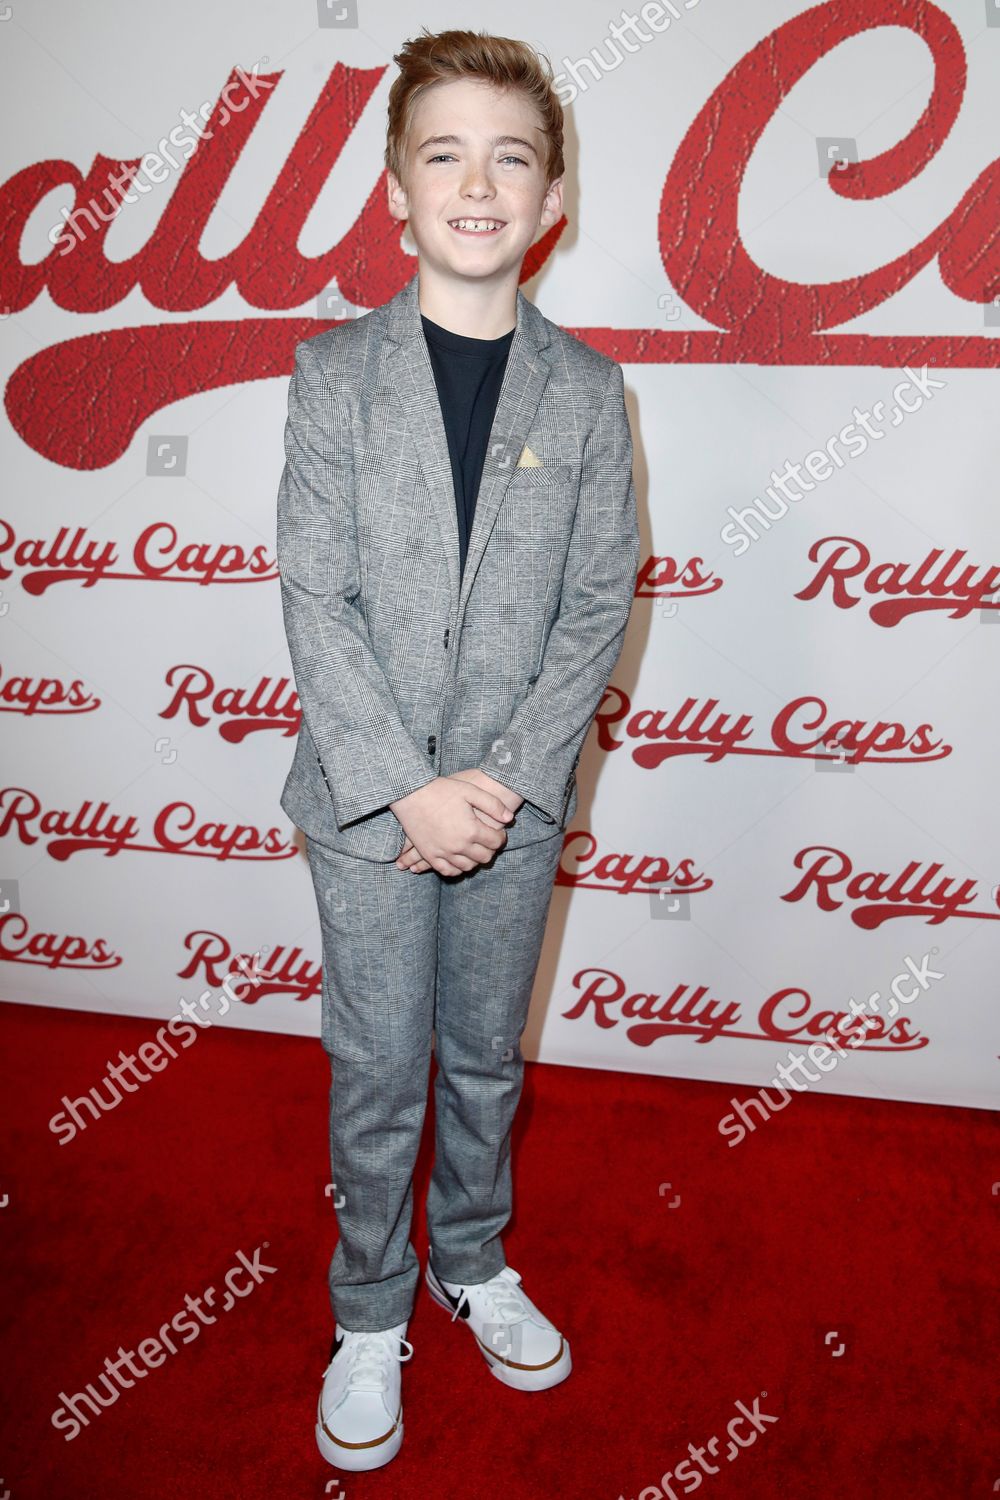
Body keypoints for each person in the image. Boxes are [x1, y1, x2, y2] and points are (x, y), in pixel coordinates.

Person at [275, 25, 641, 1473]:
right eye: (445, 153)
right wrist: (411, 790)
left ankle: (468, 1261)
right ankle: (369, 1307)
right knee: (379, 1066)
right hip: (369, 808)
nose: (477, 182)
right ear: (395, 188)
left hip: (516, 802)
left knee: (485, 1058)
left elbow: (598, 600)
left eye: (511, 155)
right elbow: (316, 592)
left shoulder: (594, 392)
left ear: (551, 198)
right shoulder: (328, 373)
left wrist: (496, 787)